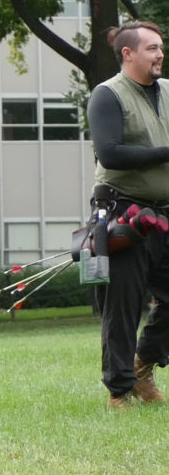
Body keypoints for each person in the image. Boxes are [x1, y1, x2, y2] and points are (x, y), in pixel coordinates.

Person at [88, 20, 169, 408]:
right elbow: (110, 152)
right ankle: (119, 390)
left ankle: (142, 366)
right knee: (122, 305)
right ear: (128, 53)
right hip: (122, 212)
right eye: (152, 48)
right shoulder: (107, 95)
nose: (160, 54)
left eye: (161, 47)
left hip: (166, 214)